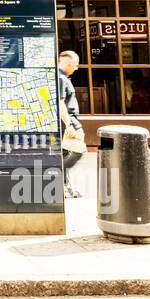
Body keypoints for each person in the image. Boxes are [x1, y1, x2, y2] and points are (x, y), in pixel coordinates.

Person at [58, 50, 85, 198]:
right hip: (69, 122)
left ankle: (67, 189)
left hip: (69, 121)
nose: (76, 68)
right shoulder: (61, 79)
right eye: (75, 64)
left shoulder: (62, 77)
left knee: (66, 153)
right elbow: (61, 103)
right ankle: (55, 175)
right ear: (67, 64)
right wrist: (68, 124)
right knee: (78, 151)